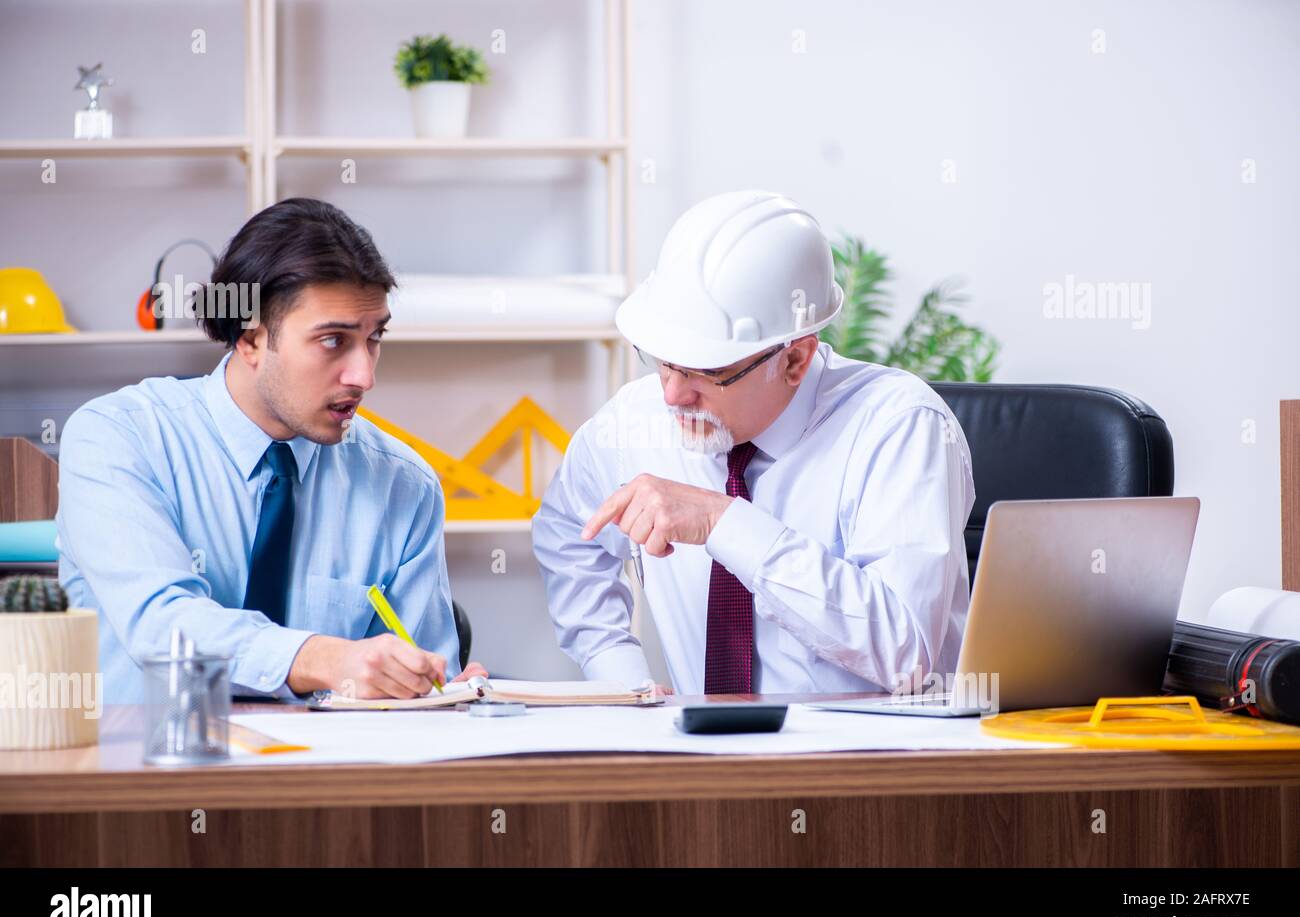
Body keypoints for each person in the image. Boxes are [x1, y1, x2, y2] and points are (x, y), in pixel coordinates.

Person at [532, 191, 976, 695]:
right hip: (697, 744)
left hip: (877, 744)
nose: (673, 395)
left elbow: (906, 654)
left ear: (794, 360)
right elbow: (567, 531)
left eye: (706, 371)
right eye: (663, 362)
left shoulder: (900, 425)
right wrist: (620, 679)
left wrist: (724, 523)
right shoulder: (634, 420)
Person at [57, 197, 487, 703]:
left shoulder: (404, 486)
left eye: (375, 337)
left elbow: (417, 682)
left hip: (324, 756)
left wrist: (435, 690)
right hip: (145, 750)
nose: (364, 376)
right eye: (333, 341)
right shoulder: (117, 438)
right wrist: (324, 658)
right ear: (251, 338)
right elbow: (163, 627)